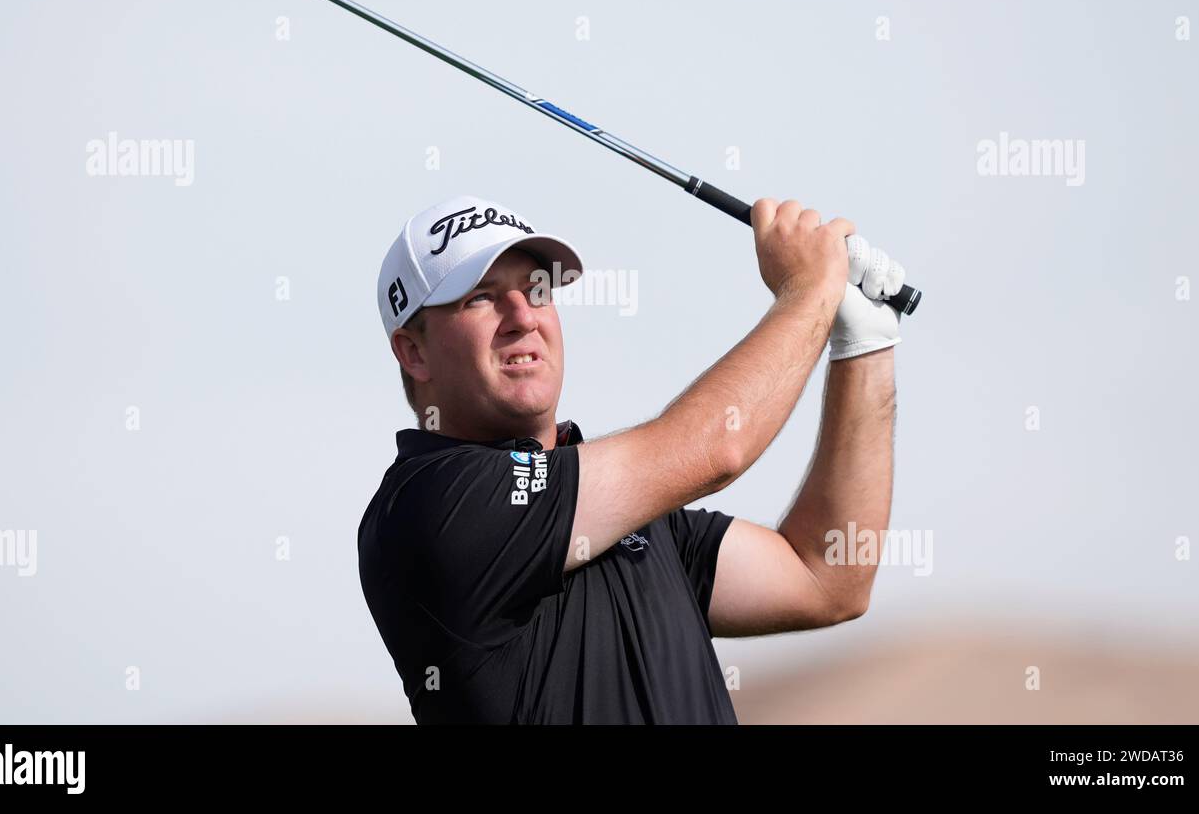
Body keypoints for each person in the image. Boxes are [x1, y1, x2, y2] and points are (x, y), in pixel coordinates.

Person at [358, 194, 905, 723]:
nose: (523, 316)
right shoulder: (430, 503)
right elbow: (717, 448)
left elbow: (828, 575)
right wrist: (809, 290)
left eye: (538, 290)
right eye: (481, 297)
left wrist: (865, 346)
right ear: (414, 352)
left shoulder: (637, 521)